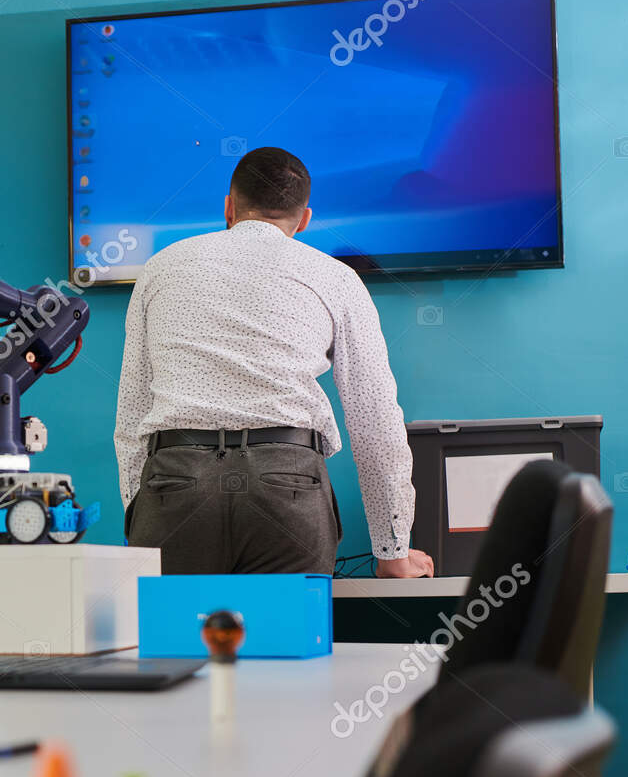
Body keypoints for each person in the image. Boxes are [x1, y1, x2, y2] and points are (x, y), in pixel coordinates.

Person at [114, 146, 433, 578]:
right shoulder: (336, 277)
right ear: (304, 219)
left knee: (175, 642)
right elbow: (374, 417)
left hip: (174, 484)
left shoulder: (160, 267)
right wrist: (392, 548)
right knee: (285, 643)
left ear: (228, 208)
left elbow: (132, 411)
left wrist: (141, 513)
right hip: (289, 485)